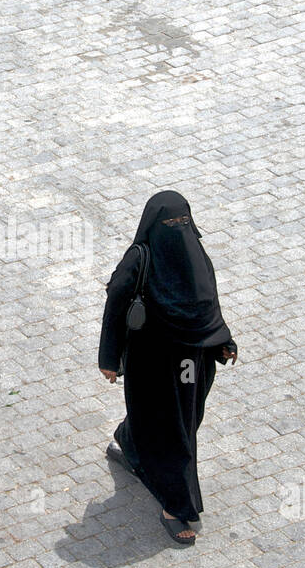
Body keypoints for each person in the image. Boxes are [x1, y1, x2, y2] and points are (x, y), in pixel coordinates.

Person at [98, 191, 237, 545]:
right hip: (151, 363)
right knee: (176, 432)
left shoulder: (195, 254)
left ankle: (130, 442)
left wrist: (223, 340)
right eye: (170, 224)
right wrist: (109, 360)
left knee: (182, 422)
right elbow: (115, 304)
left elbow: (208, 302)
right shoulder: (139, 259)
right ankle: (177, 506)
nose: (177, 230)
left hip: (193, 361)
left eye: (182, 222)